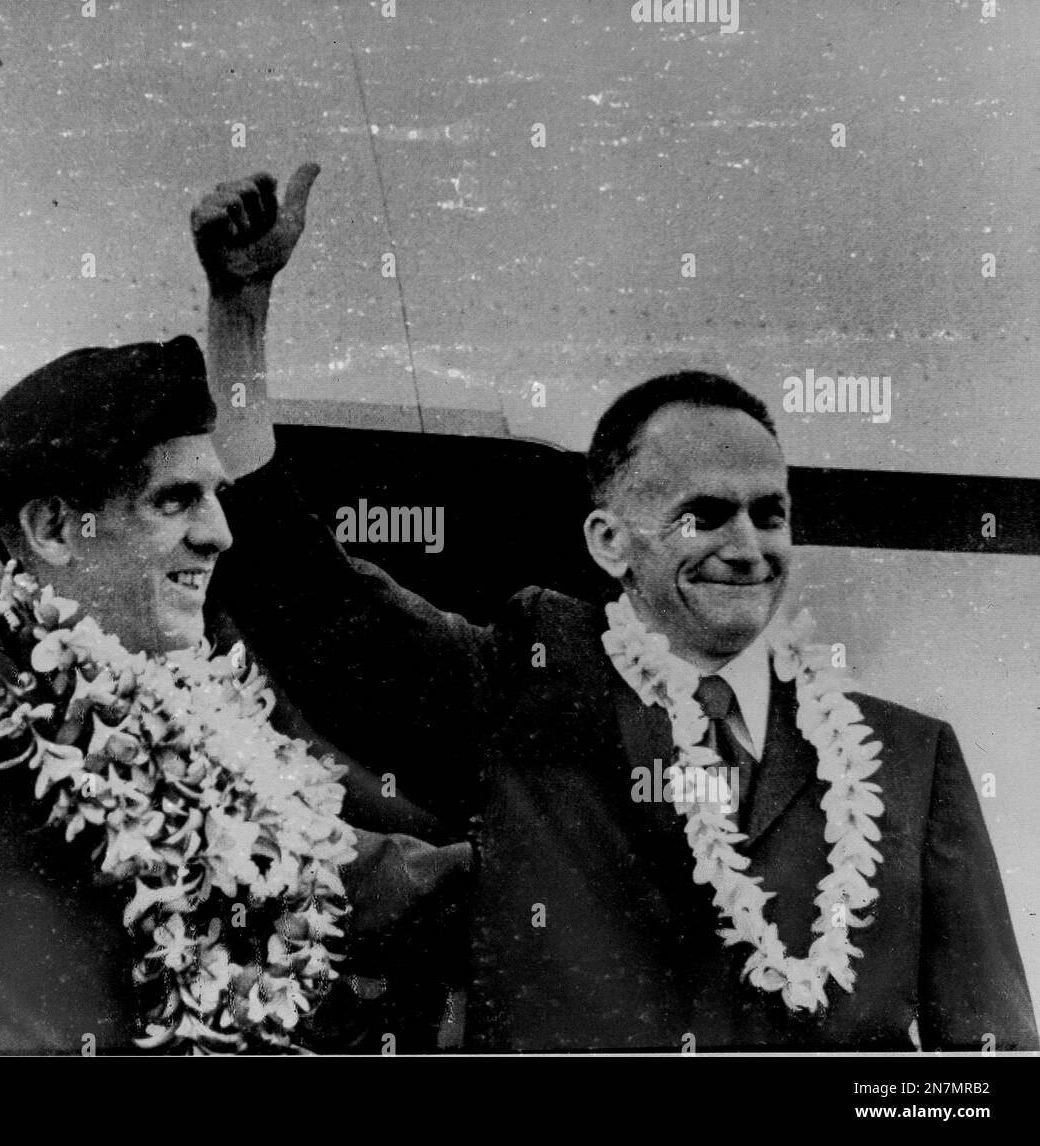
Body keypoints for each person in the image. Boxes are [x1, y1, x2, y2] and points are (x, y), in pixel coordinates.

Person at [209, 215, 1039, 1053]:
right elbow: (315, 608)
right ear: (610, 542)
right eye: (704, 515)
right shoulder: (530, 685)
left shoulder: (909, 759)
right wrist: (239, 315)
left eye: (770, 513)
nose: (747, 546)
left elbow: (988, 1069)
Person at [0, 107, 468, 1053]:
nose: (217, 533)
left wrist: (643, 847)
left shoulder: (227, 720)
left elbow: (390, 885)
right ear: (51, 528)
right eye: (173, 502)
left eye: (212, 497)